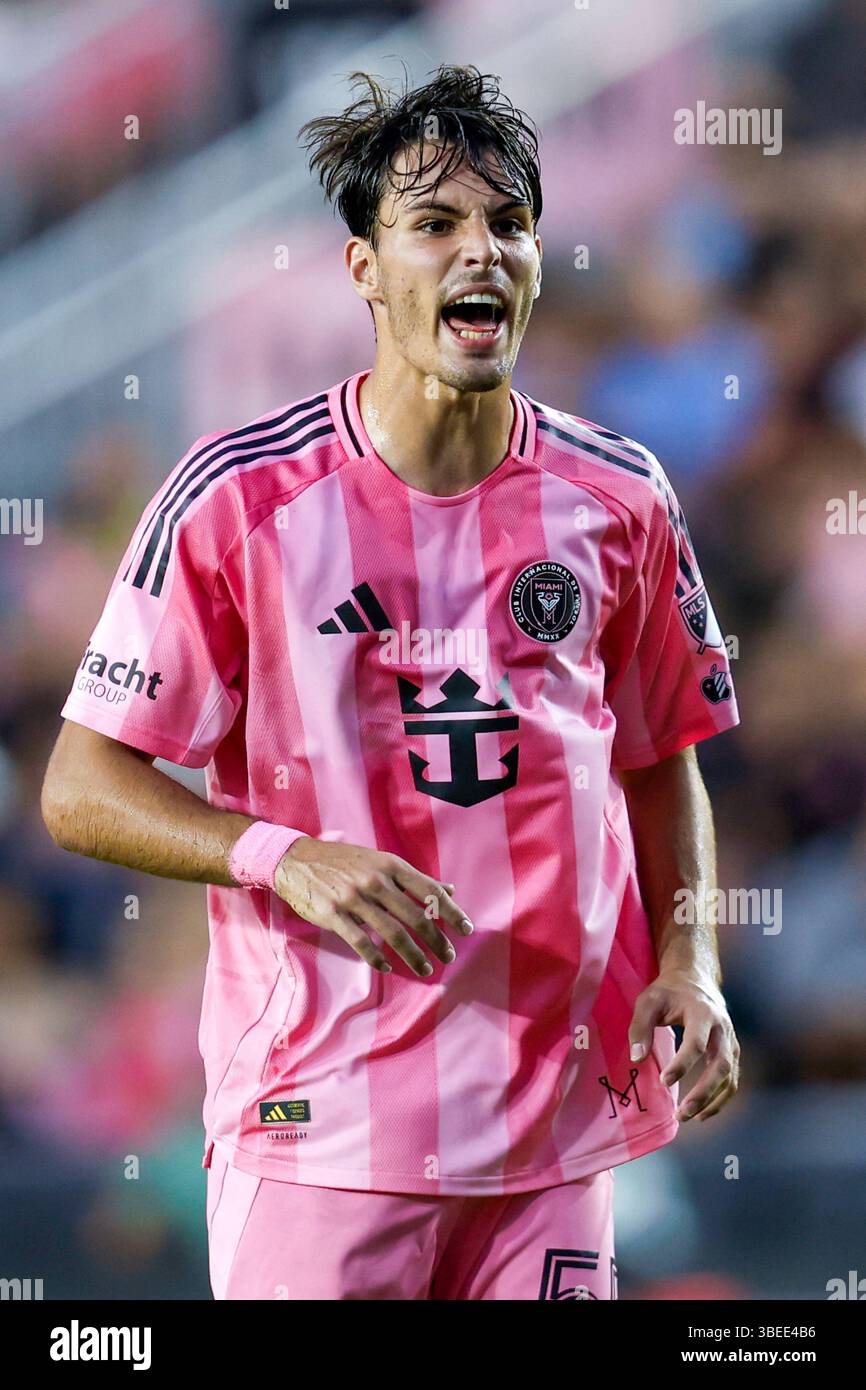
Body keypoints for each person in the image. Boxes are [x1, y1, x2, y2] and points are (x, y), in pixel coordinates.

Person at [41, 65, 741, 1301]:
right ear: (364, 267)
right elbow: (80, 786)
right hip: (320, 1130)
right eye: (434, 225)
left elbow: (658, 757)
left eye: (508, 223)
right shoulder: (238, 499)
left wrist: (689, 962)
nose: (480, 250)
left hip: (554, 1131)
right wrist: (281, 854)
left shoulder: (619, 498)